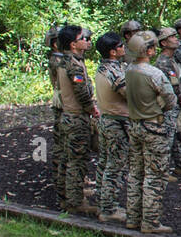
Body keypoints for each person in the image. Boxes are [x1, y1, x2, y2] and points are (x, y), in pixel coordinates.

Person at [124, 32, 177, 235]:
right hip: (153, 127)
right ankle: (150, 221)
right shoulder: (154, 74)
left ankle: (133, 217)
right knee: (155, 176)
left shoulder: (129, 70)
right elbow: (170, 100)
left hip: (135, 125)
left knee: (136, 173)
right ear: (148, 50)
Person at [56, 24, 100, 215]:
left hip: (68, 116)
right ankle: (75, 202)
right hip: (76, 118)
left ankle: (66, 196)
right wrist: (92, 109)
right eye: (84, 38)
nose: (87, 41)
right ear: (74, 44)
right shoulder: (73, 65)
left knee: (68, 158)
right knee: (77, 160)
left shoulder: (65, 61)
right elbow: (81, 92)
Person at [93, 32, 130, 223]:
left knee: (105, 163)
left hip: (106, 120)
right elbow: (128, 93)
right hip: (116, 122)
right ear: (113, 51)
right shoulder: (115, 71)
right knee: (115, 166)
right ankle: (108, 209)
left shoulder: (103, 68)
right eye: (121, 45)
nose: (124, 47)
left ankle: (101, 200)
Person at [153, 26, 181, 174]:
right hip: (169, 105)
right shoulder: (163, 62)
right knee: (168, 138)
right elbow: (172, 85)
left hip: (177, 103)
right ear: (163, 43)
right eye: (172, 37)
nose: (176, 39)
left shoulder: (173, 59)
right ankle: (162, 171)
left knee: (179, 135)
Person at [46, 25, 67, 200]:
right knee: (63, 148)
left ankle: (67, 185)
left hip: (63, 104)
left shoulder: (59, 59)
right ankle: (63, 187)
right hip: (64, 106)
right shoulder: (58, 61)